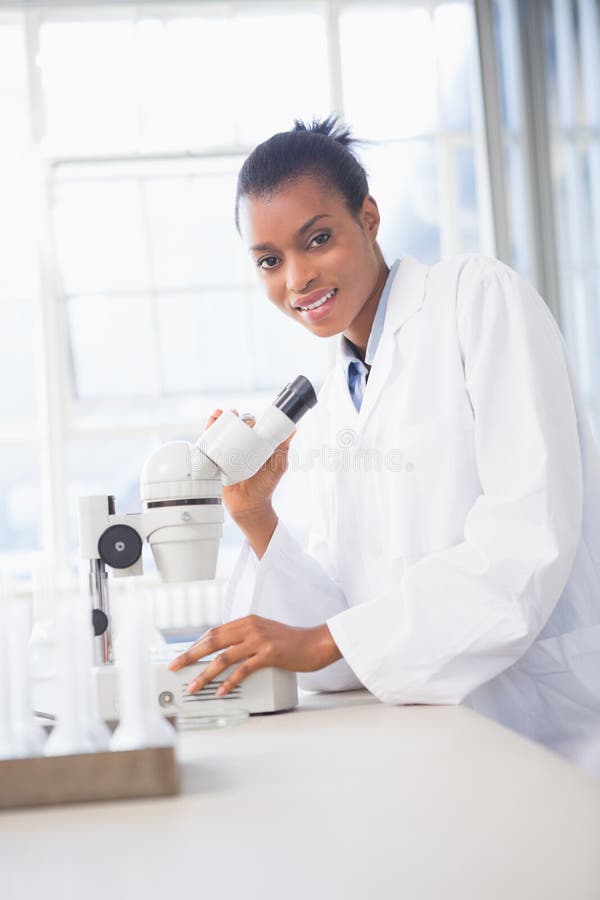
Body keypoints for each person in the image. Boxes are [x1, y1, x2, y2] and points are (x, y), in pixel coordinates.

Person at [170, 118, 600, 774]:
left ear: (367, 216)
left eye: (317, 239)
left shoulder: (475, 298)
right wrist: (256, 517)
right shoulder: (337, 393)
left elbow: (526, 542)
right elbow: (348, 636)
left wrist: (322, 640)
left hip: (540, 732)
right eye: (270, 260)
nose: (298, 279)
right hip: (426, 745)